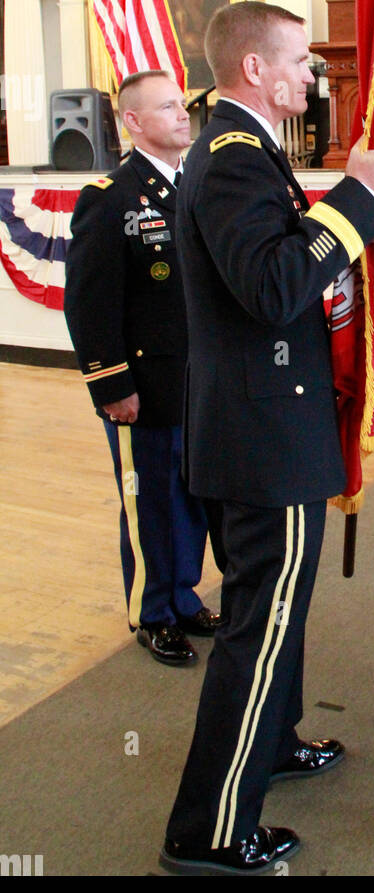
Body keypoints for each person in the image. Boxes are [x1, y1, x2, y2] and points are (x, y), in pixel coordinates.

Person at [160, 1, 374, 875]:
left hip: (266, 420)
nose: (314, 75)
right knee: (258, 628)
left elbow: (285, 266)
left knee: (280, 611)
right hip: (265, 436)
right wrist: (358, 199)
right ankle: (213, 831)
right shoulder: (231, 158)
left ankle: (275, 739)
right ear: (255, 70)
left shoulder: (248, 149)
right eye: (300, 61)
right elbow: (271, 287)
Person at [64, 70, 220, 666]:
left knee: (193, 497)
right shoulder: (110, 196)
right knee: (149, 502)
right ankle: (151, 614)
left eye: (183, 105)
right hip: (143, 389)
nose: (184, 115)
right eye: (167, 108)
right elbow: (89, 301)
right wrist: (111, 383)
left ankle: (183, 596)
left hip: (197, 384)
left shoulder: (195, 184)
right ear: (132, 122)